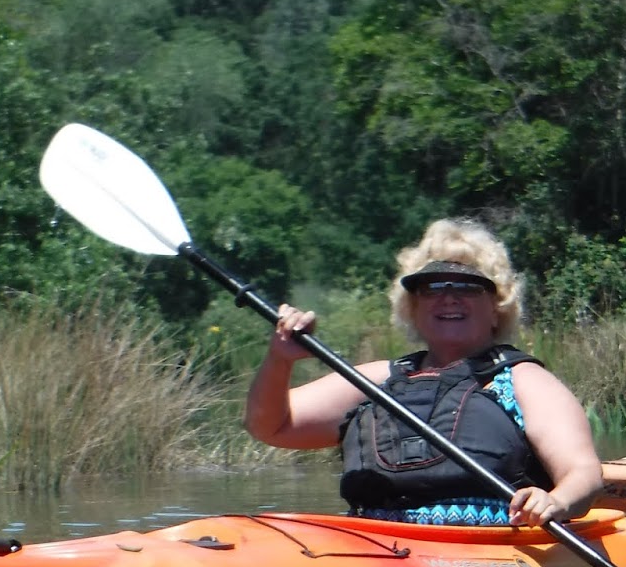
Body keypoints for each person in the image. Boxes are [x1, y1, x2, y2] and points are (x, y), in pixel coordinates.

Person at [245, 218, 603, 527]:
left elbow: (583, 473)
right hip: (379, 546)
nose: (449, 297)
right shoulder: (376, 381)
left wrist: (555, 502)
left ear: (497, 309)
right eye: (432, 287)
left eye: (467, 285)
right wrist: (280, 359)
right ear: (412, 308)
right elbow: (270, 426)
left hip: (491, 547)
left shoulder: (523, 380)